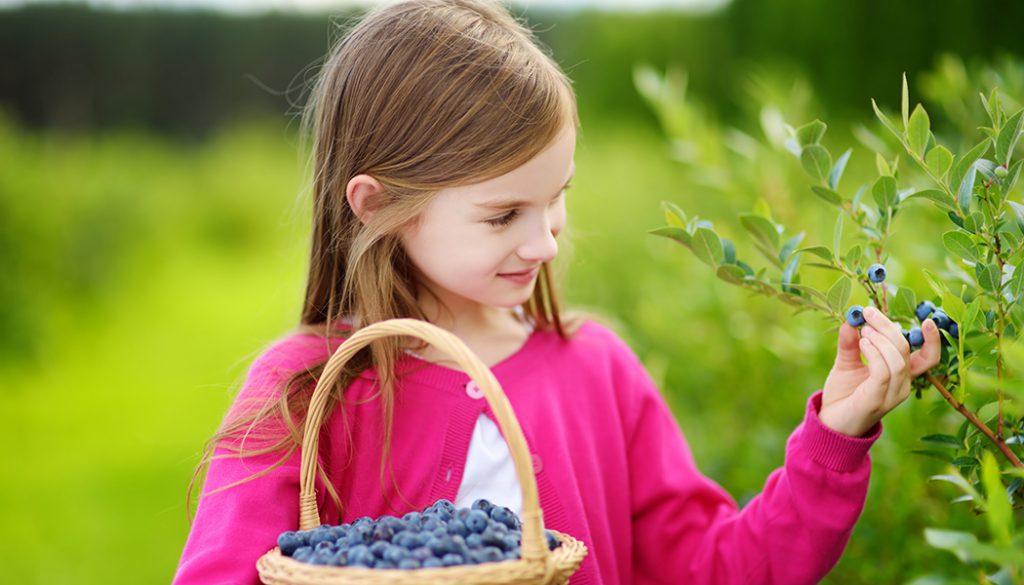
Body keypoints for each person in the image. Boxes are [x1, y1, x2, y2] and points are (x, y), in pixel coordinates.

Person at [171, 1, 943, 583]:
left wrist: (835, 435)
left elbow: (722, 566)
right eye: (504, 213)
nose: (544, 242)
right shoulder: (305, 390)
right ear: (377, 205)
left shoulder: (598, 371)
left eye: (556, 198)